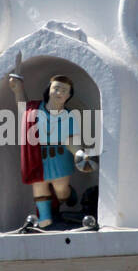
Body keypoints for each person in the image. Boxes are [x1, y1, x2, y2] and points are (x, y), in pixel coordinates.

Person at [8, 71, 87, 227]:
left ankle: (68, 194)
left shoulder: (69, 116)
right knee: (39, 187)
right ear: (49, 89)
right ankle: (45, 218)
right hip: (38, 157)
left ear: (68, 96)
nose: (59, 93)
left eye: (64, 91)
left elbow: (71, 140)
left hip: (60, 157)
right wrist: (17, 90)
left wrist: (79, 154)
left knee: (60, 190)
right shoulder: (35, 110)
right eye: (56, 88)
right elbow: (23, 108)